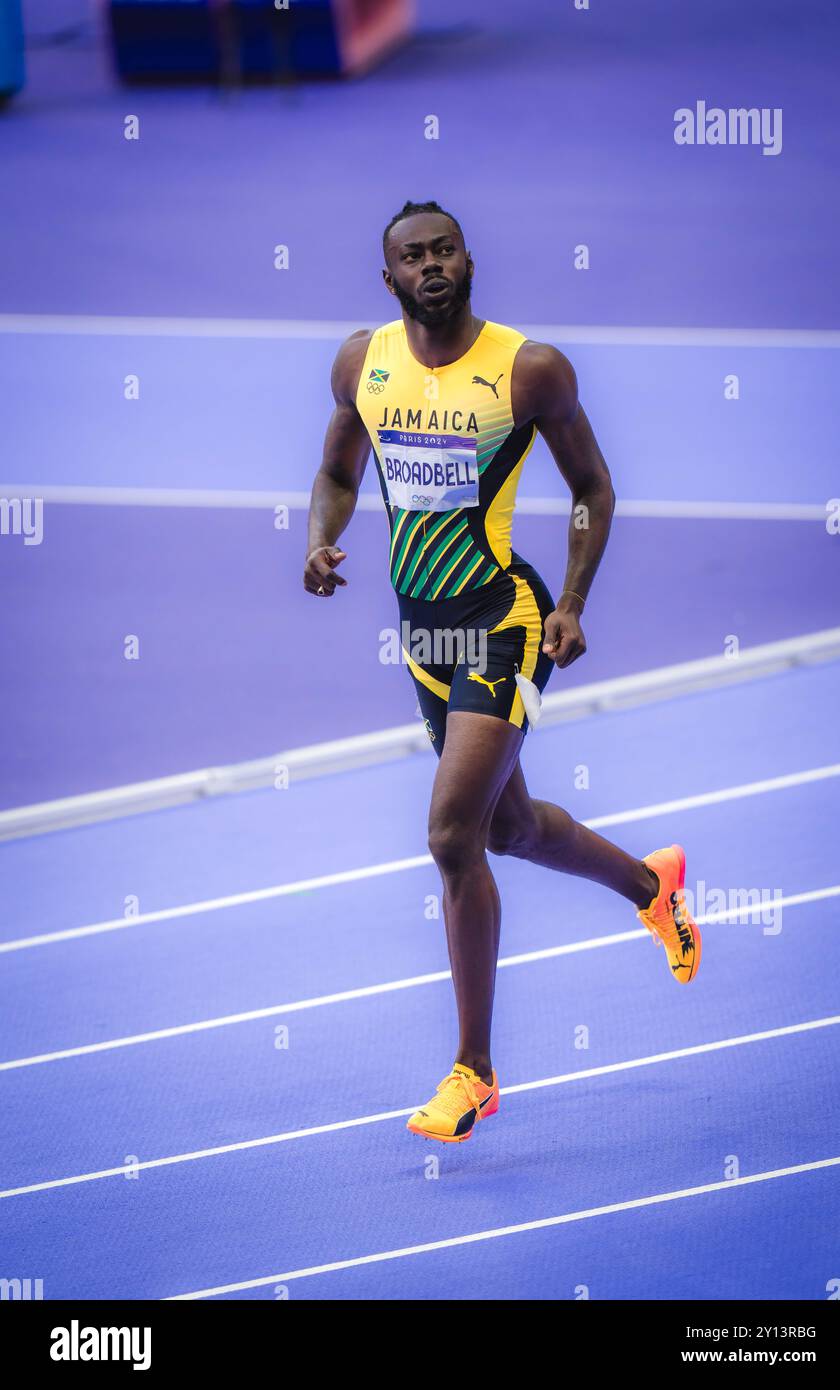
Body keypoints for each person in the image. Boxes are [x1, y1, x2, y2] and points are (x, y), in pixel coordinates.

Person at [305, 200, 701, 1144]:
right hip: (424, 637)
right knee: (511, 827)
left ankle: (473, 1071)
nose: (431, 264)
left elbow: (593, 489)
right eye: (413, 255)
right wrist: (321, 541)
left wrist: (571, 604)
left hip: (503, 622)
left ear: (469, 260)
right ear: (389, 276)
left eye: (444, 249)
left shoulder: (528, 370)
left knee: (452, 837)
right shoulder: (363, 363)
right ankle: (654, 890)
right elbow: (337, 475)